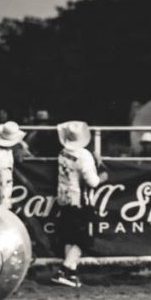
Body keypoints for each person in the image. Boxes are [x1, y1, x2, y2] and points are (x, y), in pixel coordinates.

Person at [51, 120, 107, 288]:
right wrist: (102, 169)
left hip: (64, 197)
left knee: (69, 236)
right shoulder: (84, 156)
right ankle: (65, 270)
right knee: (82, 239)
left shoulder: (62, 152)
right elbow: (93, 182)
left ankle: (71, 273)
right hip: (79, 200)